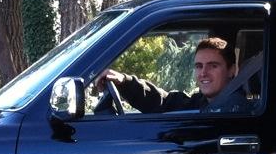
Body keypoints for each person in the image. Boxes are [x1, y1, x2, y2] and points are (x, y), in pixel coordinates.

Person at [97, 37, 252, 114]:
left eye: (213, 66)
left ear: (232, 70)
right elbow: (163, 102)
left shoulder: (235, 110)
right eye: (199, 66)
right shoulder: (202, 103)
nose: (203, 73)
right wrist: (124, 81)